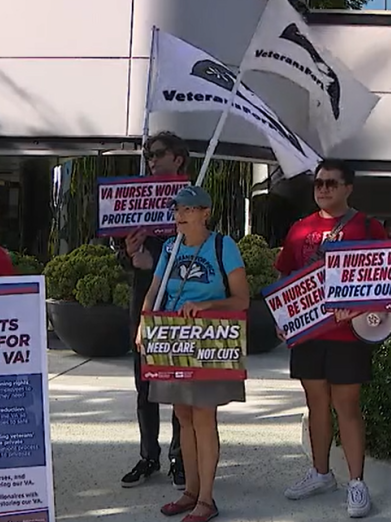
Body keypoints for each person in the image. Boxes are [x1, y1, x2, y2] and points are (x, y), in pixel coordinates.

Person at [275, 159, 387, 519]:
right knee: (316, 404)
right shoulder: (299, 229)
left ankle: (356, 482)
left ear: (348, 188)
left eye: (332, 184)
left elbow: (385, 278)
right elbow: (286, 277)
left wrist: (359, 308)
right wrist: (283, 319)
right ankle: (321, 473)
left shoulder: (368, 227)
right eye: (319, 183)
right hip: (308, 333)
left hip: (348, 335)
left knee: (347, 406)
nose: (324, 189)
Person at [137, 185, 249, 522]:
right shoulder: (170, 248)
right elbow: (155, 289)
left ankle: (206, 498)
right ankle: (190, 492)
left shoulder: (223, 246)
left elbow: (242, 299)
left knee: (203, 416)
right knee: (183, 416)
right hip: (172, 338)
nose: (180, 216)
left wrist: (206, 304)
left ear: (205, 213)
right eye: (177, 210)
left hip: (209, 341)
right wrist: (144, 323)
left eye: (188, 209)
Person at [115, 131, 189, 489]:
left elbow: (198, 255)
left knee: (176, 382)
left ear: (177, 159)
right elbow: (121, 259)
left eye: (158, 154)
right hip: (142, 301)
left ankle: (180, 457)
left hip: (178, 301)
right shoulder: (136, 201)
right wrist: (131, 255)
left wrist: (154, 259)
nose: (152, 160)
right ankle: (149, 455)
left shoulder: (193, 200)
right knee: (143, 382)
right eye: (148, 155)